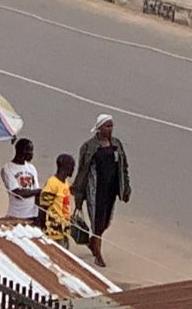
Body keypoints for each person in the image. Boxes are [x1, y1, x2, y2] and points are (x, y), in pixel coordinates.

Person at [72, 114, 130, 268]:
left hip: (111, 189)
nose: (110, 129)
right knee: (97, 221)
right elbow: (82, 171)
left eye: (111, 126)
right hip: (95, 189)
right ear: (99, 128)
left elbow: (124, 167)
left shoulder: (116, 144)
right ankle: (98, 253)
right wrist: (79, 195)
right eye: (107, 126)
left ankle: (93, 242)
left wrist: (126, 188)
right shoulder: (89, 147)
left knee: (105, 222)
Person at [38, 154, 75, 247]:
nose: (73, 169)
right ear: (65, 167)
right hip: (53, 231)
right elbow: (43, 207)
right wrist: (41, 227)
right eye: (72, 167)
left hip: (63, 229)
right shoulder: (52, 183)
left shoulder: (65, 182)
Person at [1, 138, 39, 221]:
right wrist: (37, 191)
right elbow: (17, 193)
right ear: (22, 151)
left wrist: (38, 215)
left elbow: (37, 195)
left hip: (32, 216)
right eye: (30, 151)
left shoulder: (32, 168)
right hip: (15, 216)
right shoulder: (7, 168)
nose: (32, 154)